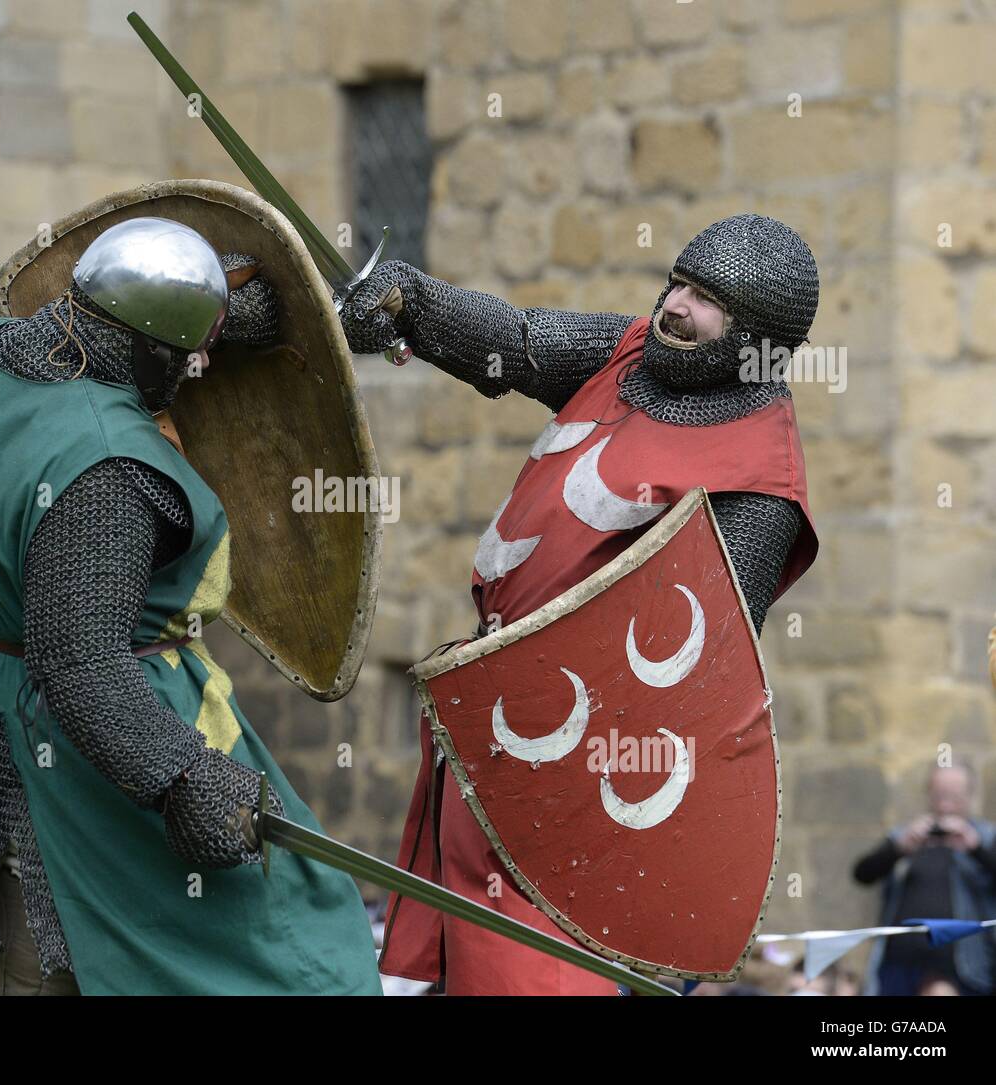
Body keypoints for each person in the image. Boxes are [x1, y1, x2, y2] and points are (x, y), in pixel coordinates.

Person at [338, 213, 820, 995]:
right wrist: (413, 305)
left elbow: (689, 675)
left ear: (755, 337)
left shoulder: (758, 479)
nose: (676, 305)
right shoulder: (630, 352)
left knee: (533, 972)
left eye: (706, 301)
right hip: (491, 730)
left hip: (578, 778)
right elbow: (518, 341)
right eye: (680, 282)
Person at [0, 217, 380, 995]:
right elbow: (81, 663)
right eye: (182, 359)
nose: (193, 372)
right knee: (287, 960)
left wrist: (213, 318)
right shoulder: (106, 469)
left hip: (0, 712)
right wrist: (182, 779)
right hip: (98, 755)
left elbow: (91, 345)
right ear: (143, 348)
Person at [853, 763, 996, 996]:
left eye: (954, 797)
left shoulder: (986, 836)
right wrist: (899, 848)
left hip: (965, 969)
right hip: (899, 968)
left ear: (970, 796)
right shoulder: (907, 835)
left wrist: (975, 848)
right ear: (928, 794)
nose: (945, 805)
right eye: (939, 796)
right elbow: (862, 874)